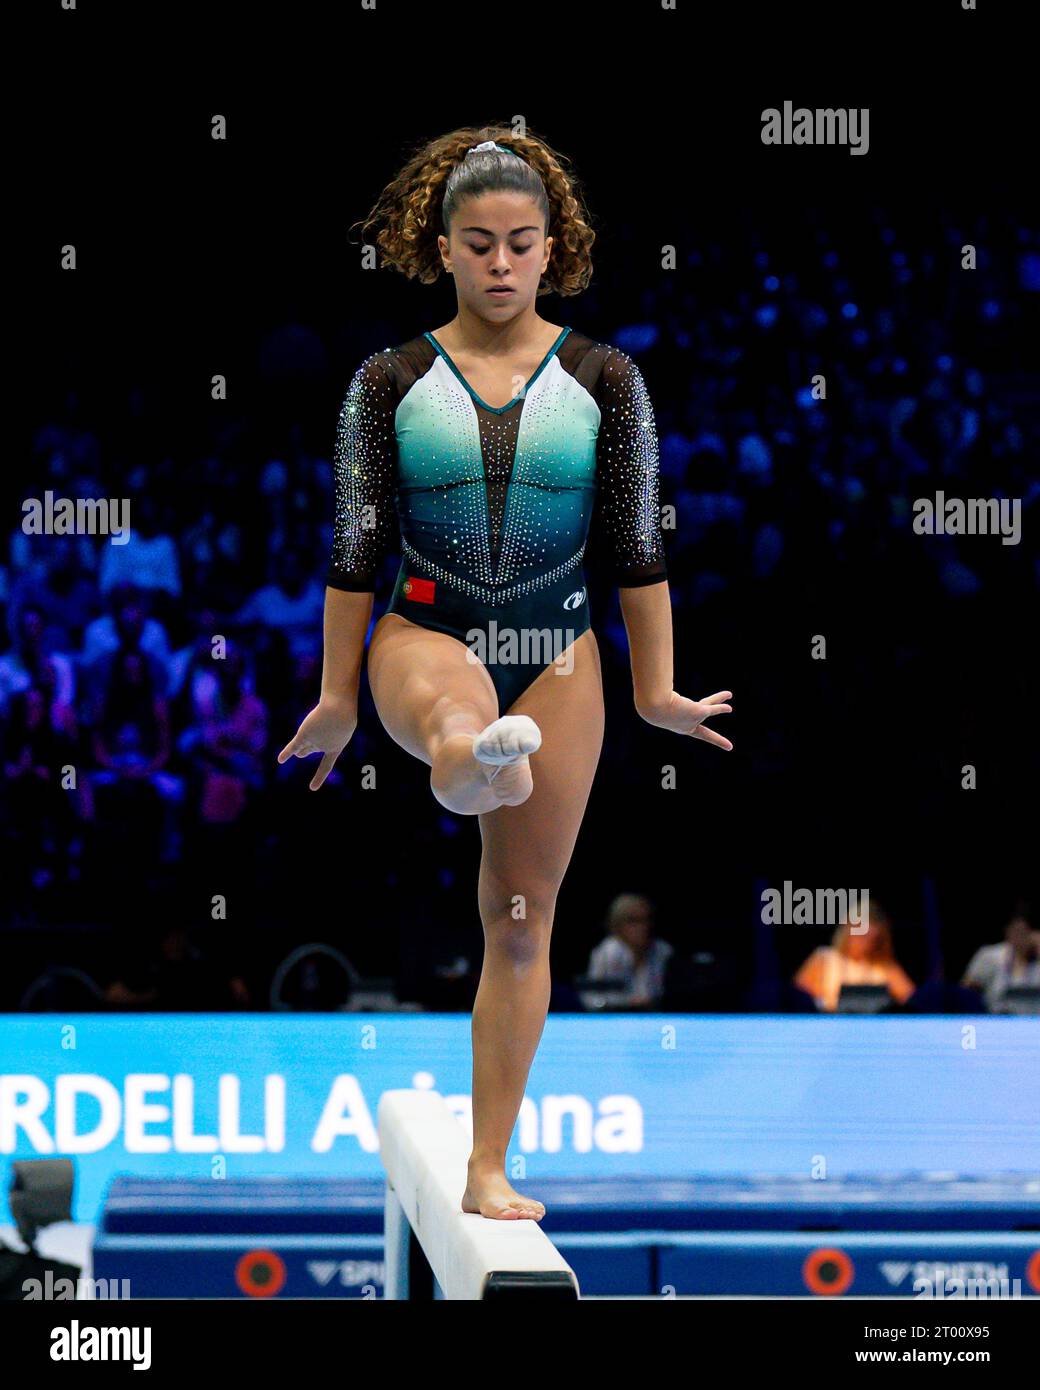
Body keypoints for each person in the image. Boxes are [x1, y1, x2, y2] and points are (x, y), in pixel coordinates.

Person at [279, 127, 734, 1220]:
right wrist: (338, 698)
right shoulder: (384, 381)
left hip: (560, 650)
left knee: (521, 916)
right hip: (425, 628)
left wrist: (654, 690)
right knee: (454, 708)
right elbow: (353, 552)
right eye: (475, 242)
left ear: (550, 249)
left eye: (518, 243)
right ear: (440, 246)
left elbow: (635, 551)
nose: (496, 262)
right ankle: (461, 761)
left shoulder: (604, 379)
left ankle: (488, 1166)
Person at [793, 903, 916, 1012]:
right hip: (830, 1026)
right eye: (860, 936)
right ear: (847, 931)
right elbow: (798, 998)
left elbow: (912, 1000)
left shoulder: (884, 966)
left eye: (870, 939)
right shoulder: (824, 959)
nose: (864, 943)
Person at [585, 893, 674, 1008]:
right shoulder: (607, 952)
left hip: (655, 1015)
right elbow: (590, 997)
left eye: (646, 920)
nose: (643, 927)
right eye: (634, 921)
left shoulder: (663, 951)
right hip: (612, 1016)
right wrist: (625, 1003)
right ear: (617, 924)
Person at [961, 908, 1040, 1013]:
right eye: (1015, 931)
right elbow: (965, 990)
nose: (1019, 938)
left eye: (1024, 933)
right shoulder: (990, 956)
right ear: (1007, 932)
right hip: (997, 1019)